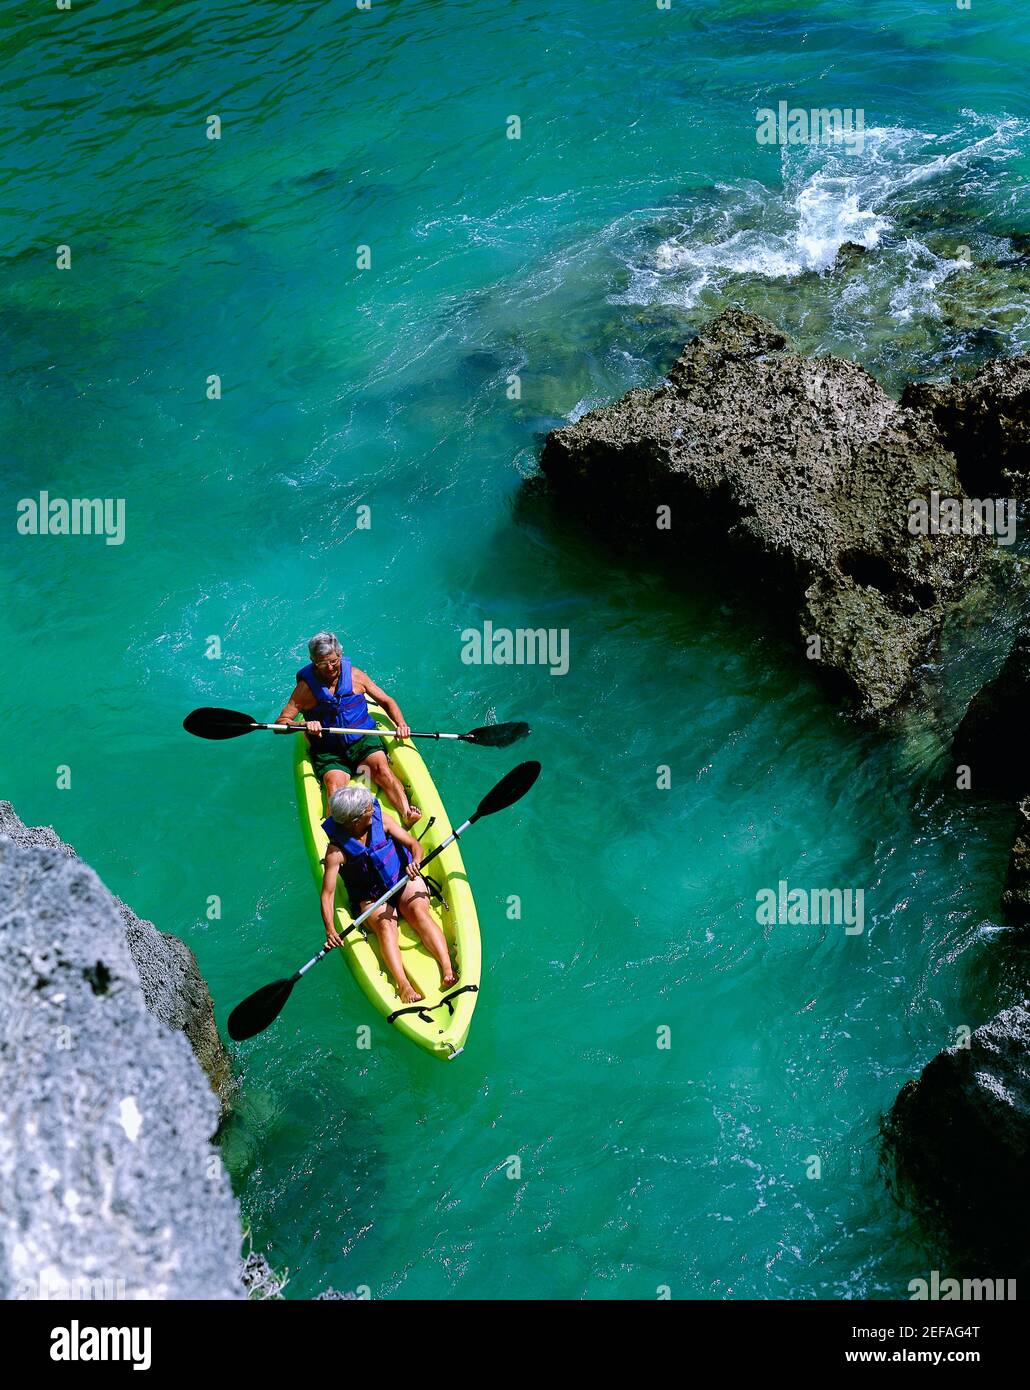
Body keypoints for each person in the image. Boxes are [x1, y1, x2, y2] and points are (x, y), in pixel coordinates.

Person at [320, 784, 457, 1005]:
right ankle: (404, 986)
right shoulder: (336, 852)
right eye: (367, 810)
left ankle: (448, 968)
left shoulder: (381, 821)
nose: (372, 810)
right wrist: (330, 929)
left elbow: (414, 845)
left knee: (418, 912)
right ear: (354, 821)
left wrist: (416, 863)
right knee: (386, 926)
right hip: (371, 897)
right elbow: (327, 894)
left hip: (401, 880)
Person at [275, 631, 421, 825]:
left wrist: (401, 724)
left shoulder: (356, 676)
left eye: (334, 661)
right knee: (334, 786)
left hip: (362, 739)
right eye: (322, 663)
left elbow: (387, 701)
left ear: (340, 655)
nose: (329, 668)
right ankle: (338, 834)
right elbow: (281, 723)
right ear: (312, 661)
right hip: (329, 750)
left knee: (381, 769)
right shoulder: (305, 689)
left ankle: (406, 813)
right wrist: (302, 724)